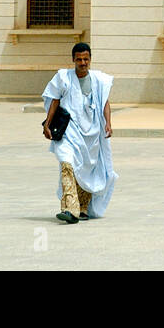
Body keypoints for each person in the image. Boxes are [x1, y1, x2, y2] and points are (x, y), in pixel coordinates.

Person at [42, 42, 117, 224]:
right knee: (66, 163)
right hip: (70, 130)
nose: (82, 63)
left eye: (85, 59)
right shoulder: (63, 77)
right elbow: (55, 101)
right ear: (73, 60)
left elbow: (105, 102)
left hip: (91, 133)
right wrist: (48, 124)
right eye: (79, 59)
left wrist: (108, 122)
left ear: (90, 60)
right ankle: (69, 208)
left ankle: (82, 208)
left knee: (86, 168)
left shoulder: (99, 80)